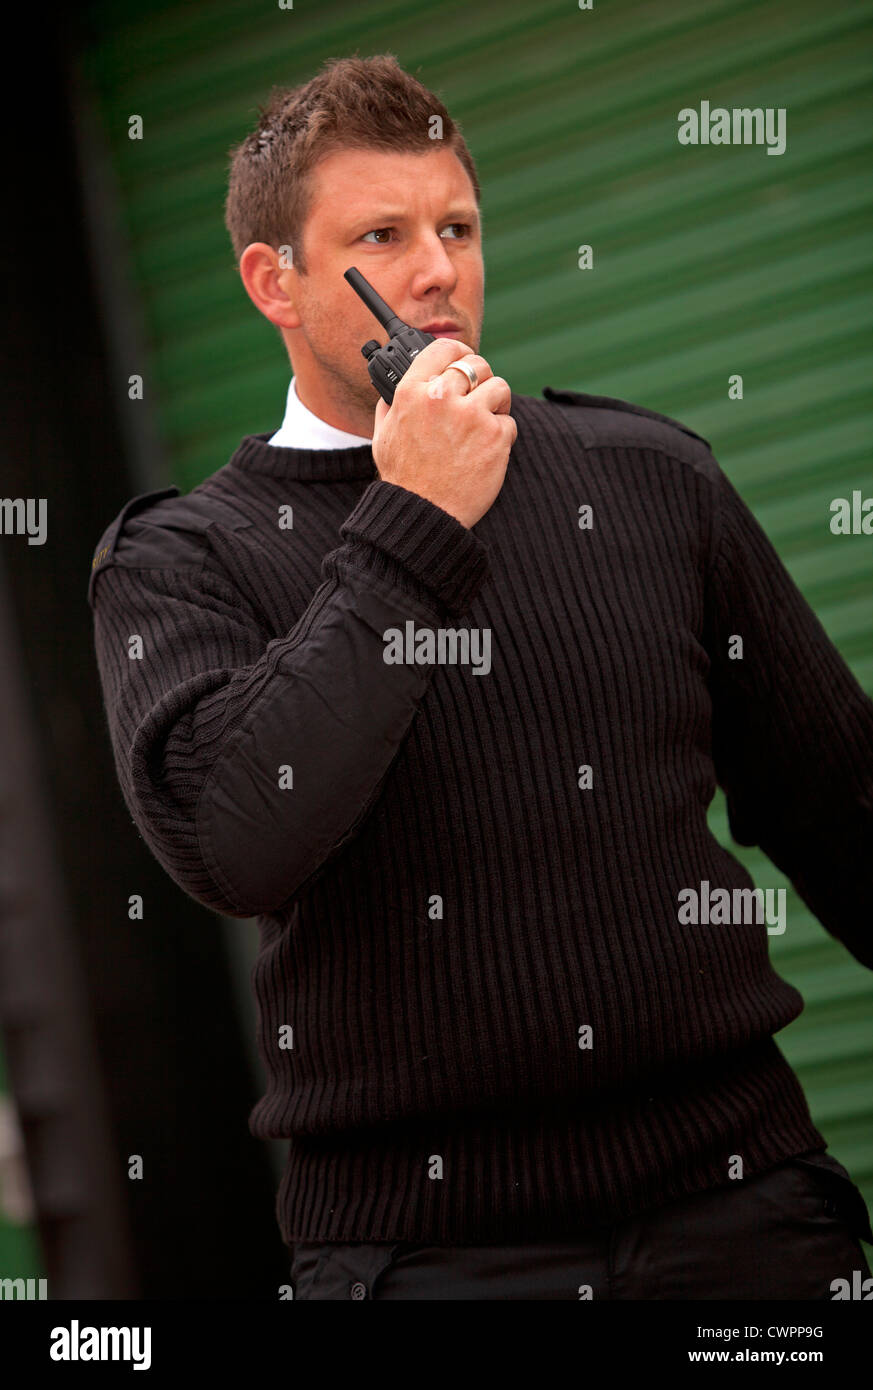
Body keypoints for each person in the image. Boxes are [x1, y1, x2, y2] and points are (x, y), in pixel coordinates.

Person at [87, 54, 873, 1300]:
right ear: (272, 280)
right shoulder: (181, 558)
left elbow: (850, 812)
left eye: (457, 225)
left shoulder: (651, 480)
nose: (439, 268)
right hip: (425, 1260)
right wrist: (415, 521)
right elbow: (235, 840)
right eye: (382, 235)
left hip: (745, 1218)